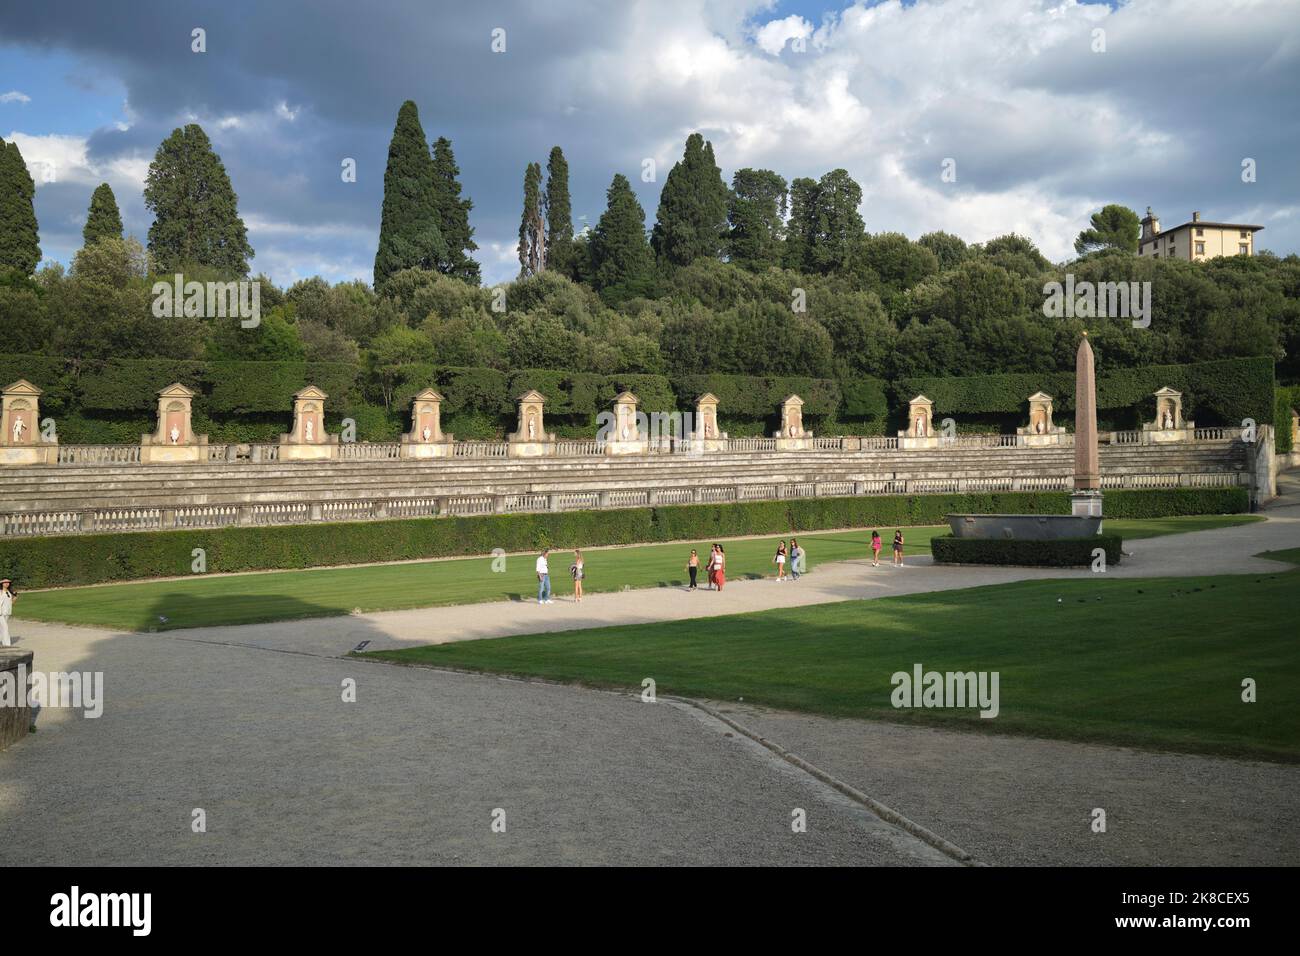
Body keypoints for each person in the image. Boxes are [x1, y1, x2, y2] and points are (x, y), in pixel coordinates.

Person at [0, 578, 13, 646]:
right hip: (1, 613)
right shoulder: (0, 592)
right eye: (5, 582)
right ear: (2, 584)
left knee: (2, 628)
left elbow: (10, 603)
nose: (7, 583)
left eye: (8, 582)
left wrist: (15, 598)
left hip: (7, 612)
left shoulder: (9, 592)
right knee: (5, 628)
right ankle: (7, 644)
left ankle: (3, 642)